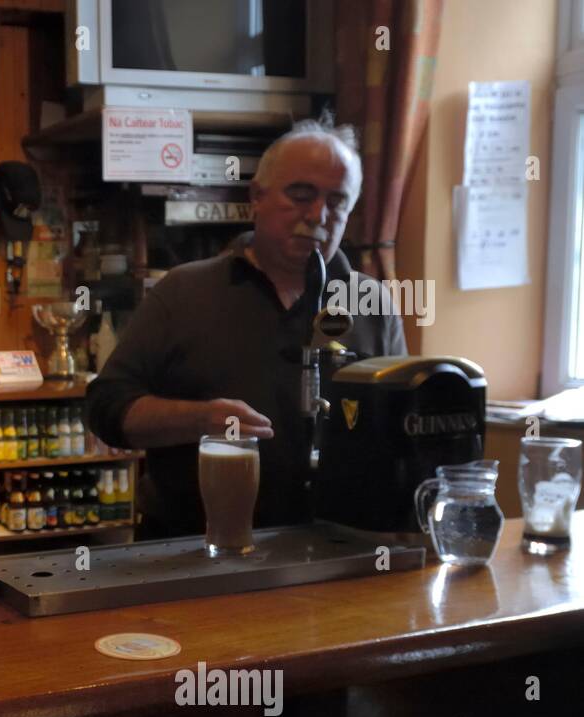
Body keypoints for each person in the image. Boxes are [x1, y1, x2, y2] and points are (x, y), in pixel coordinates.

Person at [86, 116, 408, 538]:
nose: (318, 215)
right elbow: (106, 408)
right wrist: (200, 419)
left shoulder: (372, 301)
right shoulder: (184, 291)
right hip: (196, 552)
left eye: (337, 201)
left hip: (339, 548)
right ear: (257, 195)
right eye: (301, 195)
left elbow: (402, 425)